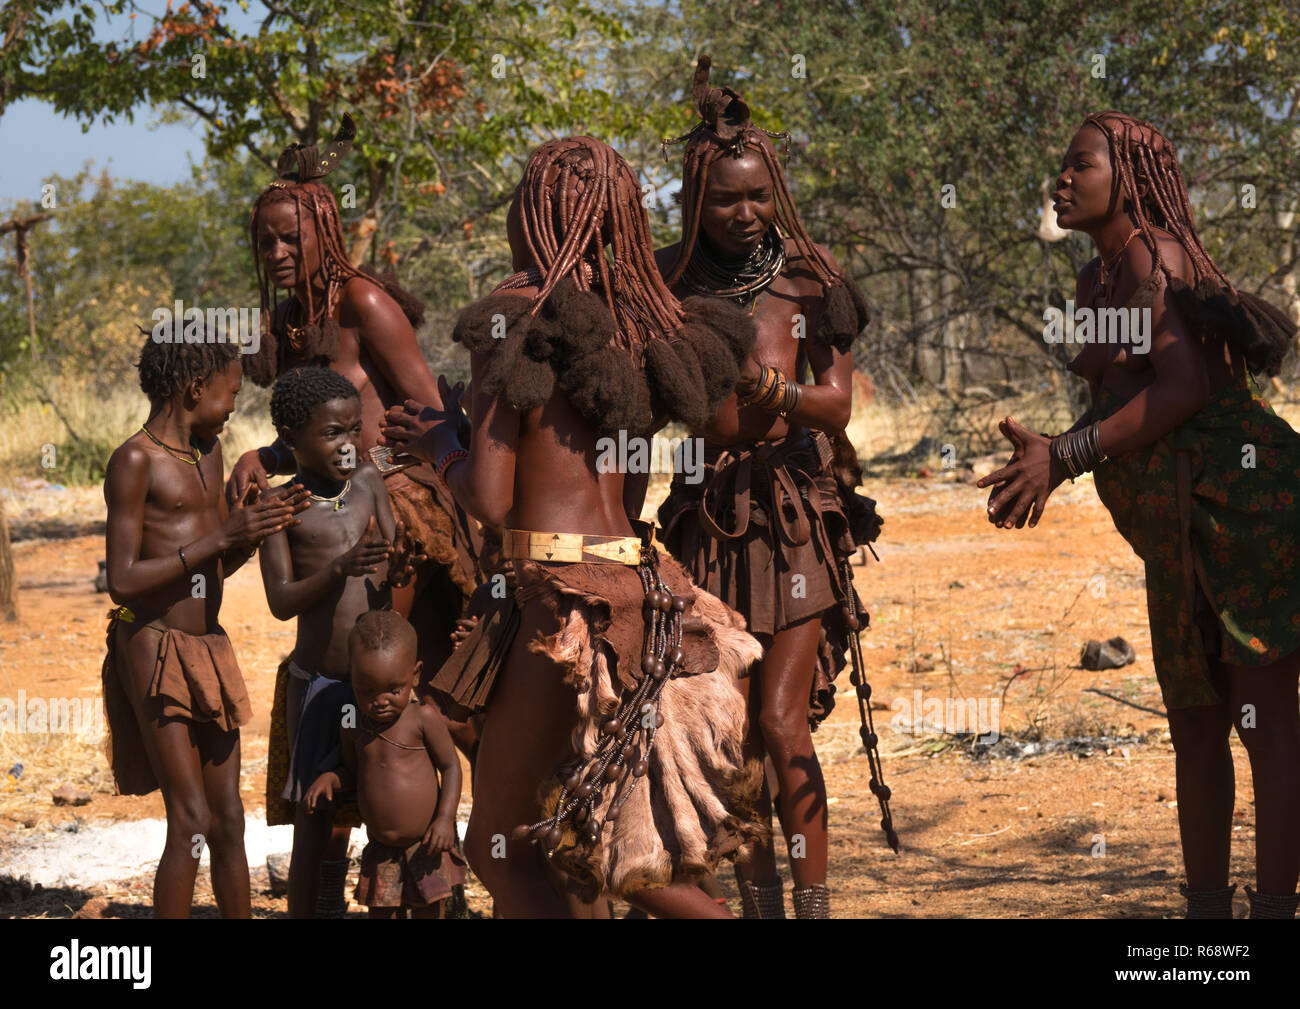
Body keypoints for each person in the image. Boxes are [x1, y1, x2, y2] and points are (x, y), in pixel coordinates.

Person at [380, 136, 765, 918]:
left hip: (562, 605)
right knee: (611, 841)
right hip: (644, 589)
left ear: (533, 217)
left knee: (500, 841)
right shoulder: (644, 316)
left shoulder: (515, 319)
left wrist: (439, 441)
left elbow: (490, 498)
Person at [978, 111, 1300, 919]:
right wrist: (1053, 453)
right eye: (1062, 164)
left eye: (1081, 164)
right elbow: (1125, 398)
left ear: (1131, 177)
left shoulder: (1158, 256)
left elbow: (1184, 386)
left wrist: (1068, 454)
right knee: (1196, 722)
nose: (1062, 178)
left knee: (1264, 726)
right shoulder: (1097, 278)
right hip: (1176, 532)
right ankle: (1206, 922)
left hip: (1245, 516)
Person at [653, 55, 892, 918]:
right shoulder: (663, 281)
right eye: (726, 199)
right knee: (731, 724)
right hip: (703, 520)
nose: (746, 213)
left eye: (758, 195)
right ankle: (758, 906)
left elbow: (834, 405)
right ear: (694, 199)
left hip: (792, 518)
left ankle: (815, 903)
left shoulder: (809, 278)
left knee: (782, 722)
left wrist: (772, 396)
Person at [235, 115, 484, 738]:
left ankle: (396, 780)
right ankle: (336, 780)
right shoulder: (291, 320)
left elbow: (434, 412)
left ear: (325, 230)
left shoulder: (364, 302)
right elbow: (305, 431)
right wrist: (263, 457)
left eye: (290, 238)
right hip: (334, 494)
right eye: (266, 243)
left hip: (401, 489)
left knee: (375, 650)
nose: (277, 254)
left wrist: (449, 499)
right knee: (329, 640)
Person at [101, 326, 308, 917]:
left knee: (229, 818)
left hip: (207, 644)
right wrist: (223, 534)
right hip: (152, 643)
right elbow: (123, 580)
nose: (236, 403)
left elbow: (216, 557)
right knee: (189, 817)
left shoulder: (207, 453)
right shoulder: (134, 461)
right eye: (231, 391)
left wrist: (257, 527)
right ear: (195, 387)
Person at [258, 365, 421, 917]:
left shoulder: (370, 482)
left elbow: (396, 560)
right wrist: (339, 570)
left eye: (355, 429)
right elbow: (281, 601)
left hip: (376, 684)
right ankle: (314, 906)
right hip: (322, 687)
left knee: (389, 806)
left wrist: (401, 566)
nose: (349, 444)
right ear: (291, 441)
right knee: (316, 822)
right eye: (332, 433)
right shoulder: (283, 509)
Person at [304, 611, 465, 919]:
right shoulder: (353, 725)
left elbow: (451, 767)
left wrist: (445, 819)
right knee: (381, 913)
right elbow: (353, 773)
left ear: (415, 675)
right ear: (352, 676)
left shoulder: (423, 719)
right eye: (367, 691)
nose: (380, 701)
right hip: (380, 849)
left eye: (394, 690)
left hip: (427, 845)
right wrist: (331, 779)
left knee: (429, 912)